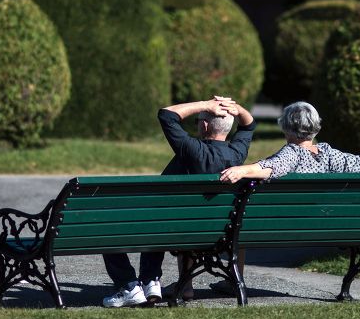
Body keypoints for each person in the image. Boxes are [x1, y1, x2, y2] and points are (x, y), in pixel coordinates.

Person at [210, 101, 360, 295]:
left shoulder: (292, 153)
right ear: (316, 127)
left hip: (283, 228)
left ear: (285, 127)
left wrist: (242, 169)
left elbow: (270, 168)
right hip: (330, 229)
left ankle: (233, 281)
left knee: (241, 226)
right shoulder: (330, 155)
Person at [102, 96, 256, 307]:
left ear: (203, 125)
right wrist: (234, 108)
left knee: (107, 226)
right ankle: (149, 281)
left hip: (180, 230)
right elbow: (248, 125)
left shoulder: (192, 150)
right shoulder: (237, 154)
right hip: (219, 231)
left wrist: (205, 105)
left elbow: (166, 115)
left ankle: (129, 285)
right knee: (158, 217)